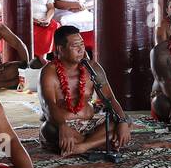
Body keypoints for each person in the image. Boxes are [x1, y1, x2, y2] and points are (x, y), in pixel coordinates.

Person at [39, 26, 130, 156]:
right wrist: (63, 126)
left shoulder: (92, 67)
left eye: (82, 44)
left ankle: (83, 147)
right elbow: (48, 105)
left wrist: (122, 122)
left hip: (90, 126)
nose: (81, 49)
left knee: (125, 119)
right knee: (48, 129)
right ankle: (100, 143)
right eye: (75, 46)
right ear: (60, 49)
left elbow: (109, 98)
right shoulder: (49, 72)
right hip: (64, 125)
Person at [31, 0, 59, 65]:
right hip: (30, 19)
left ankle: (44, 56)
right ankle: (40, 59)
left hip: (44, 18)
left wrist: (47, 19)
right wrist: (34, 20)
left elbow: (51, 8)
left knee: (54, 25)